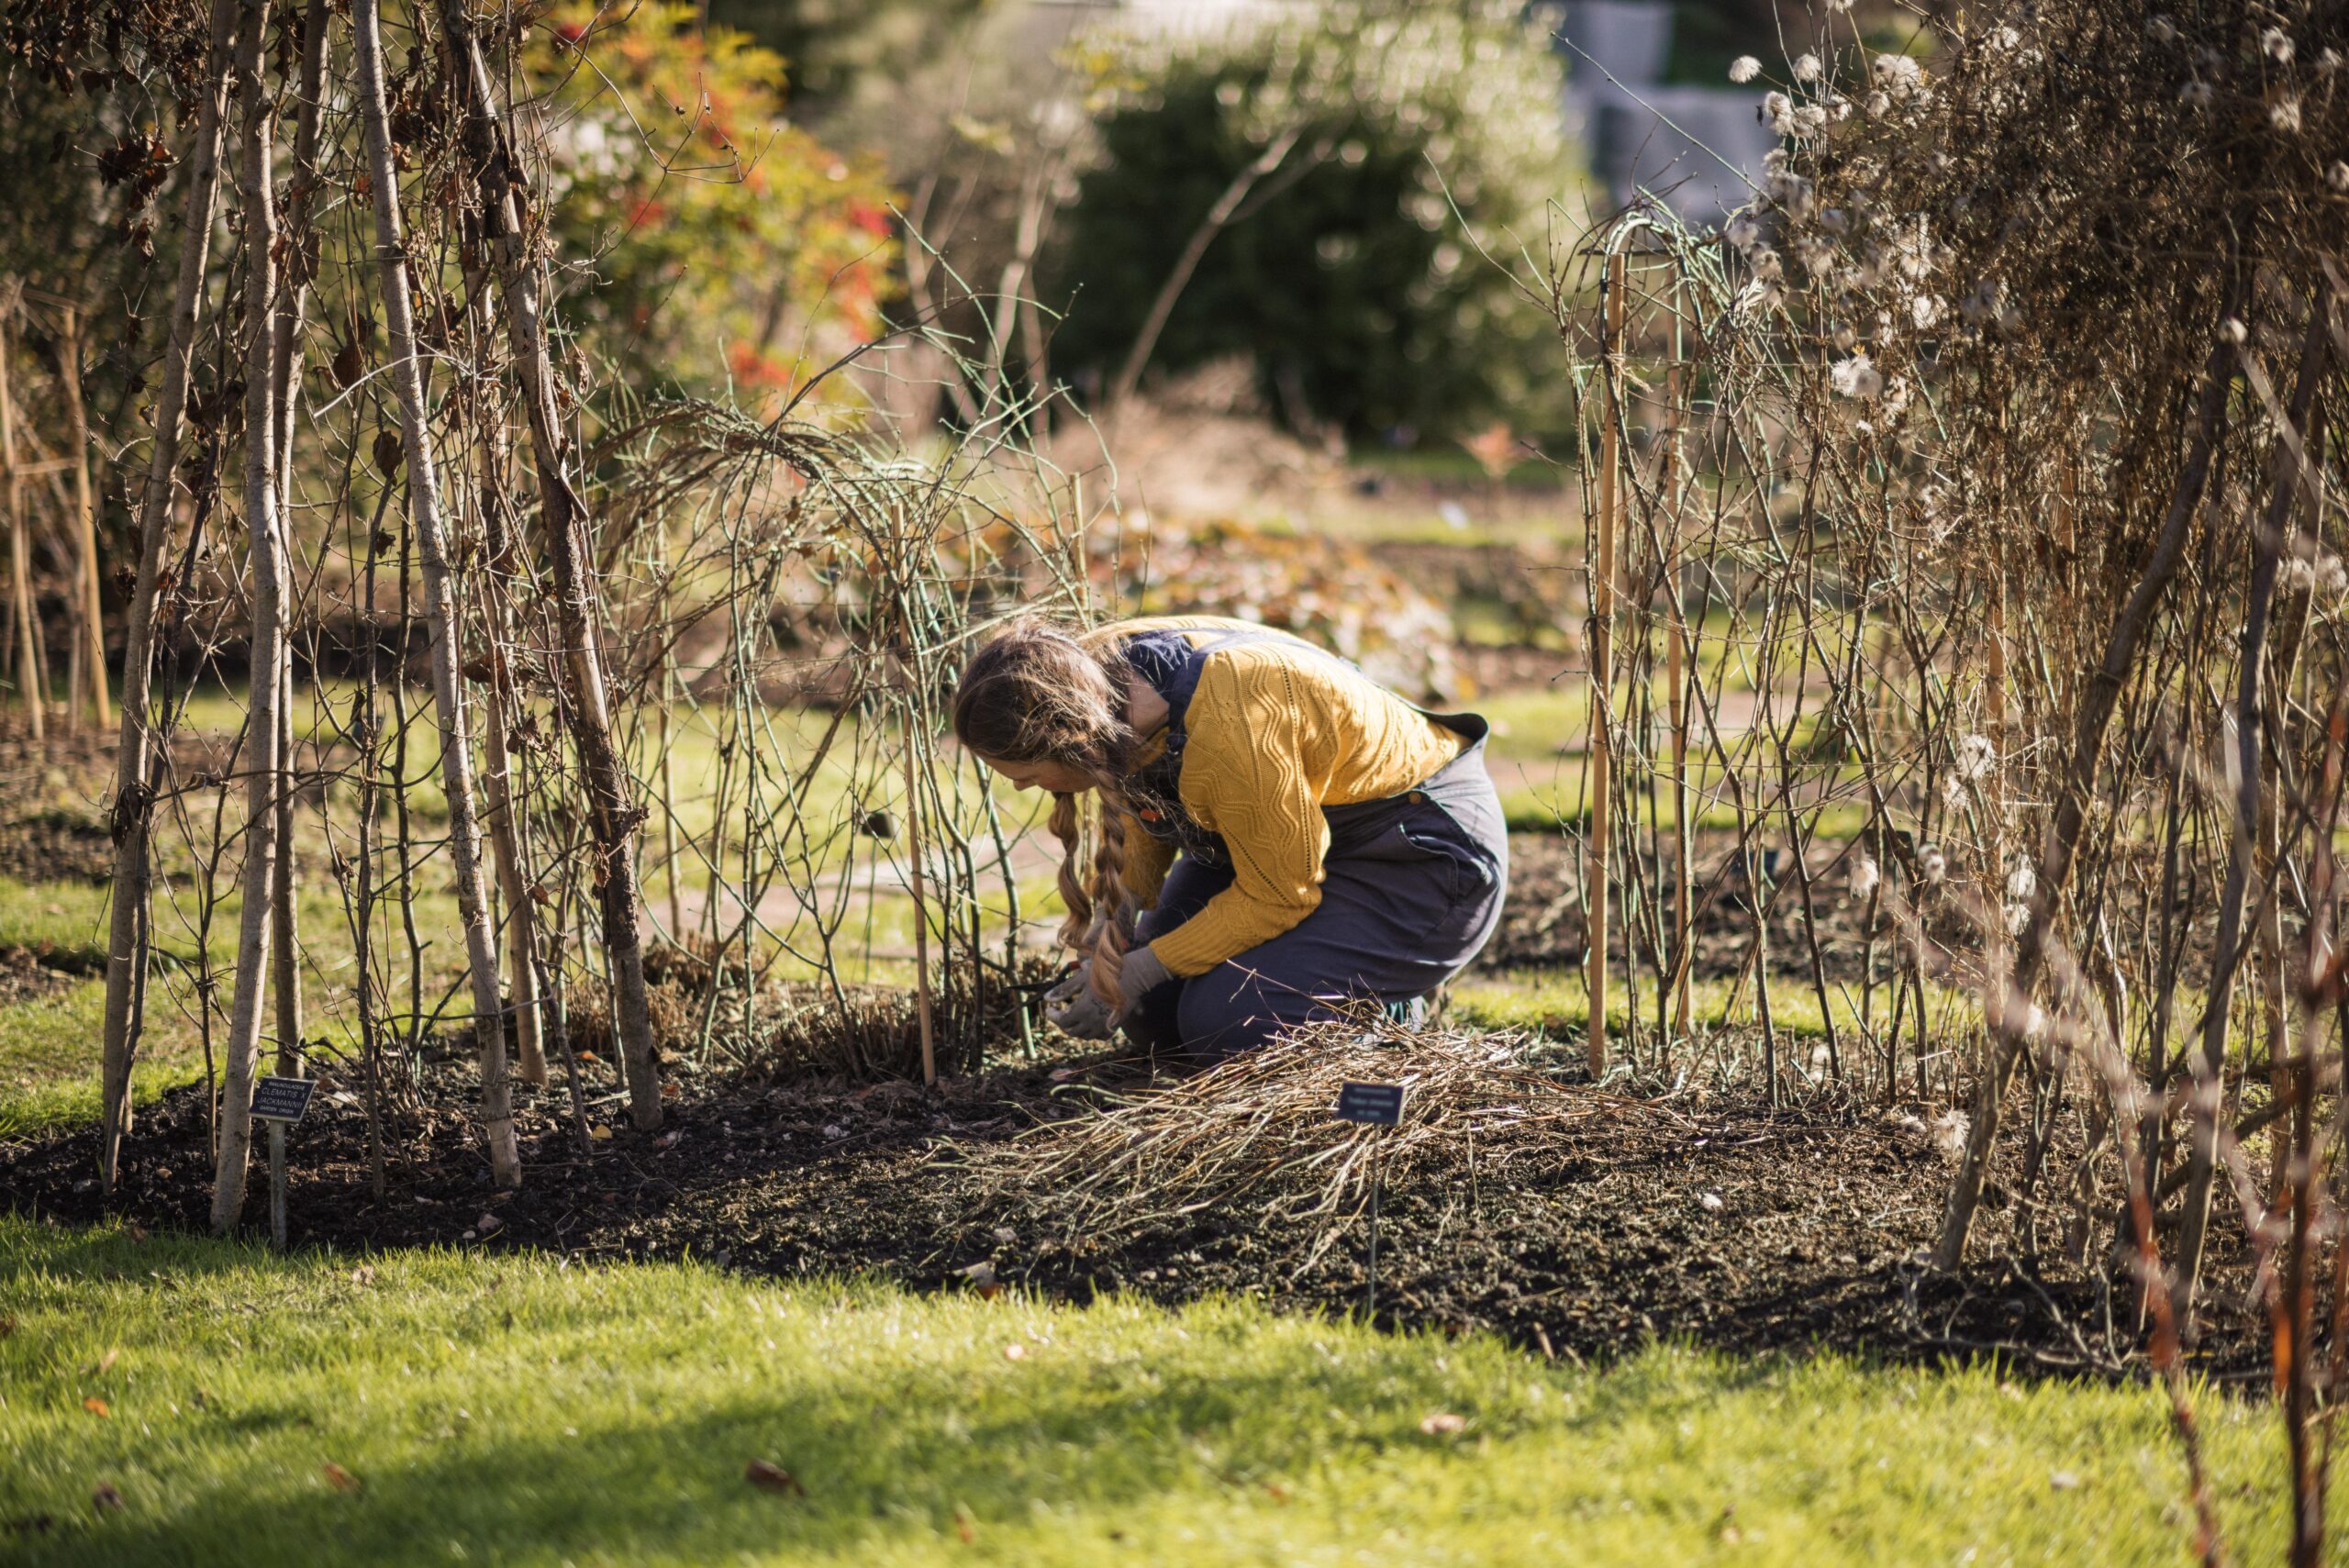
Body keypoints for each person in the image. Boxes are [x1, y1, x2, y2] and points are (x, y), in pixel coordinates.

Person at [951, 615, 1508, 1058]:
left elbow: (1279, 893)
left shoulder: (1231, 729)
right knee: (1152, 1014)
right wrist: (1113, 929)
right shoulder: (1093, 679)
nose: (1022, 787)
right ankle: (1313, 973)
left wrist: (1142, 968)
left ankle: (1386, 1015)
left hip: (1415, 848)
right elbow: (1144, 794)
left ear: (1072, 742)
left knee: (1229, 1024)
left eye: (1023, 773)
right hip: (1275, 830)